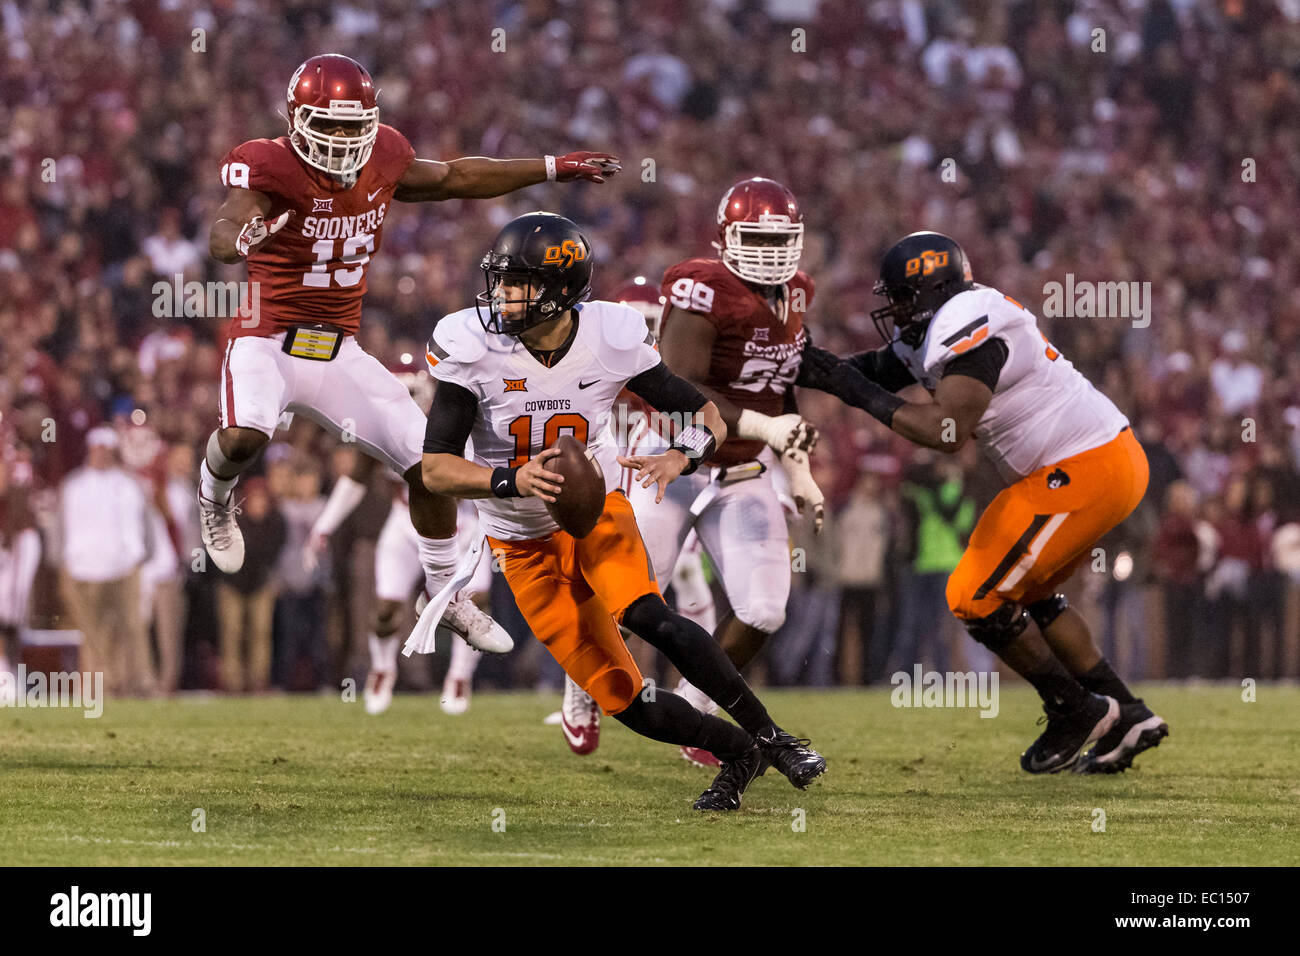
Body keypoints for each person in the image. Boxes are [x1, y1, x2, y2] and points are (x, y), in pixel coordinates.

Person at [199, 53, 620, 659]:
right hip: (266, 339)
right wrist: (236, 240)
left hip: (335, 349)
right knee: (244, 434)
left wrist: (550, 167)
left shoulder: (386, 157)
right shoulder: (266, 163)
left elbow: (453, 177)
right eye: (331, 125)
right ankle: (214, 497)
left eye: (353, 125)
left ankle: (445, 593)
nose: (344, 140)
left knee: (430, 465)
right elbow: (225, 226)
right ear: (297, 120)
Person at [417, 212, 825, 810]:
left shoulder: (610, 336)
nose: (500, 295)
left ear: (560, 291)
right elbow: (435, 469)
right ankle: (739, 753)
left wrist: (682, 458)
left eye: (517, 282)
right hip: (521, 544)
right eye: (499, 281)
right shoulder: (469, 346)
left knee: (649, 616)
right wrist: (511, 478)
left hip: (596, 513)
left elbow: (705, 414)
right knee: (625, 699)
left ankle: (775, 738)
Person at [798, 231, 1167, 774]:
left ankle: (1074, 709)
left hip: (1088, 466)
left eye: (901, 295)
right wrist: (795, 365)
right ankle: (1127, 712)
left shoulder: (966, 320)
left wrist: (848, 390)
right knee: (1031, 594)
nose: (893, 308)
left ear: (931, 290)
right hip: (1090, 464)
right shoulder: (941, 328)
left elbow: (946, 427)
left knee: (974, 593)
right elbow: (867, 370)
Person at [627, 177, 840, 766]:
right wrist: (768, 432)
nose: (770, 253)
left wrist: (796, 469)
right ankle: (585, 693)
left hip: (744, 474)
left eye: (781, 239)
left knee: (765, 609)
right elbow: (678, 386)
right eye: (754, 238)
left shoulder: (796, 292)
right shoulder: (700, 286)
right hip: (671, 462)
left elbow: (780, 389)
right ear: (725, 237)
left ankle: (695, 712)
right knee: (629, 599)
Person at [55, 427, 155, 695]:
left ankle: (139, 683)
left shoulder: (130, 484)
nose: (101, 455)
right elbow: (60, 527)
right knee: (92, 634)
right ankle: (100, 686)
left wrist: (144, 555)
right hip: (82, 569)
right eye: (97, 449)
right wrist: (61, 562)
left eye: (106, 450)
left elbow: (146, 523)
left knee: (132, 628)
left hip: (125, 567)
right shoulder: (73, 485)